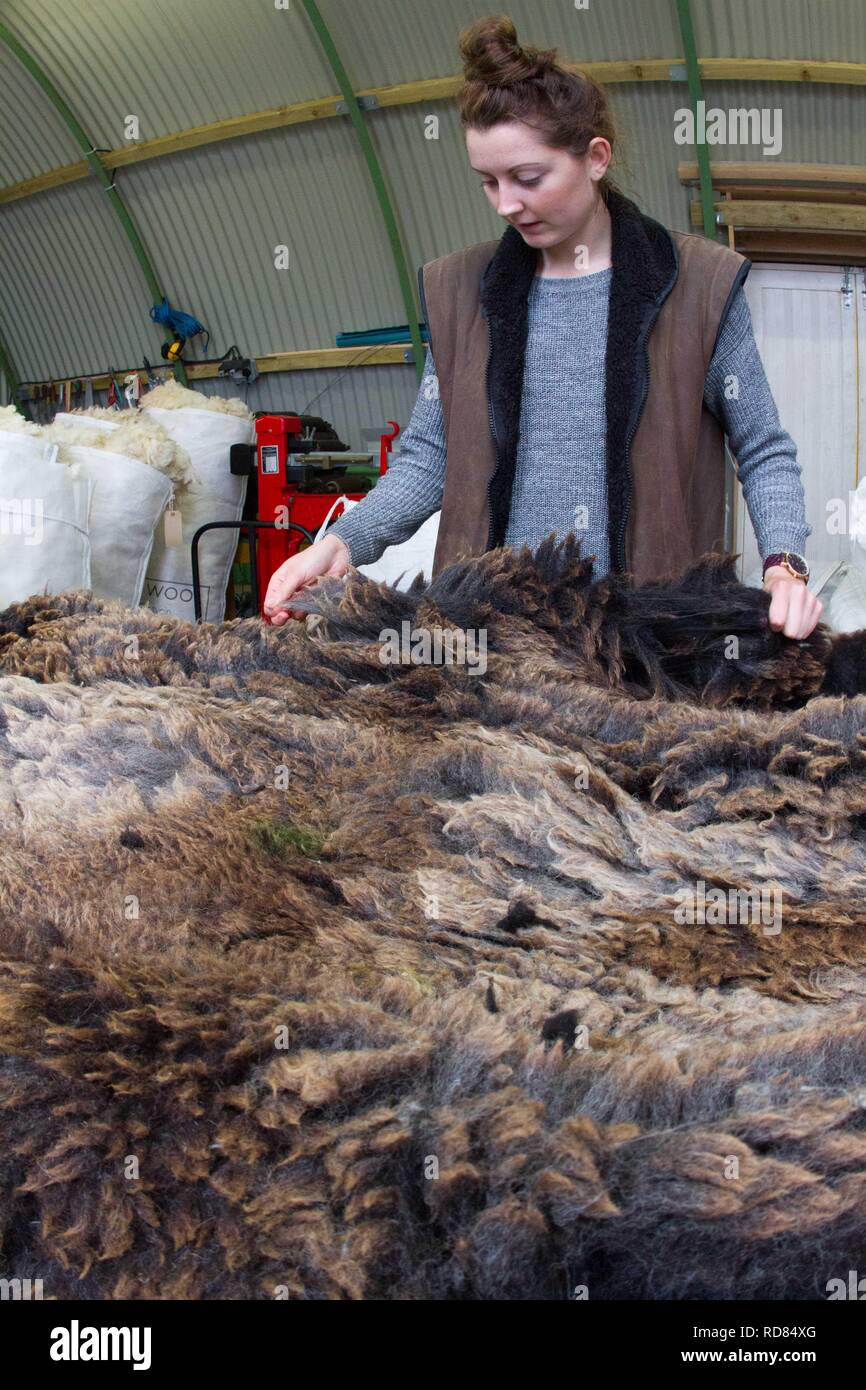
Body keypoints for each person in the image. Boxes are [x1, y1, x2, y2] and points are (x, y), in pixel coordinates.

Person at [264, 14, 822, 639]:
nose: (507, 204)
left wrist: (784, 567)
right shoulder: (464, 292)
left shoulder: (696, 286)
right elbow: (428, 457)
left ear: (595, 159)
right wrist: (342, 544)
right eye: (488, 182)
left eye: (528, 178)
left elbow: (764, 448)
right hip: (489, 642)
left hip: (646, 647)